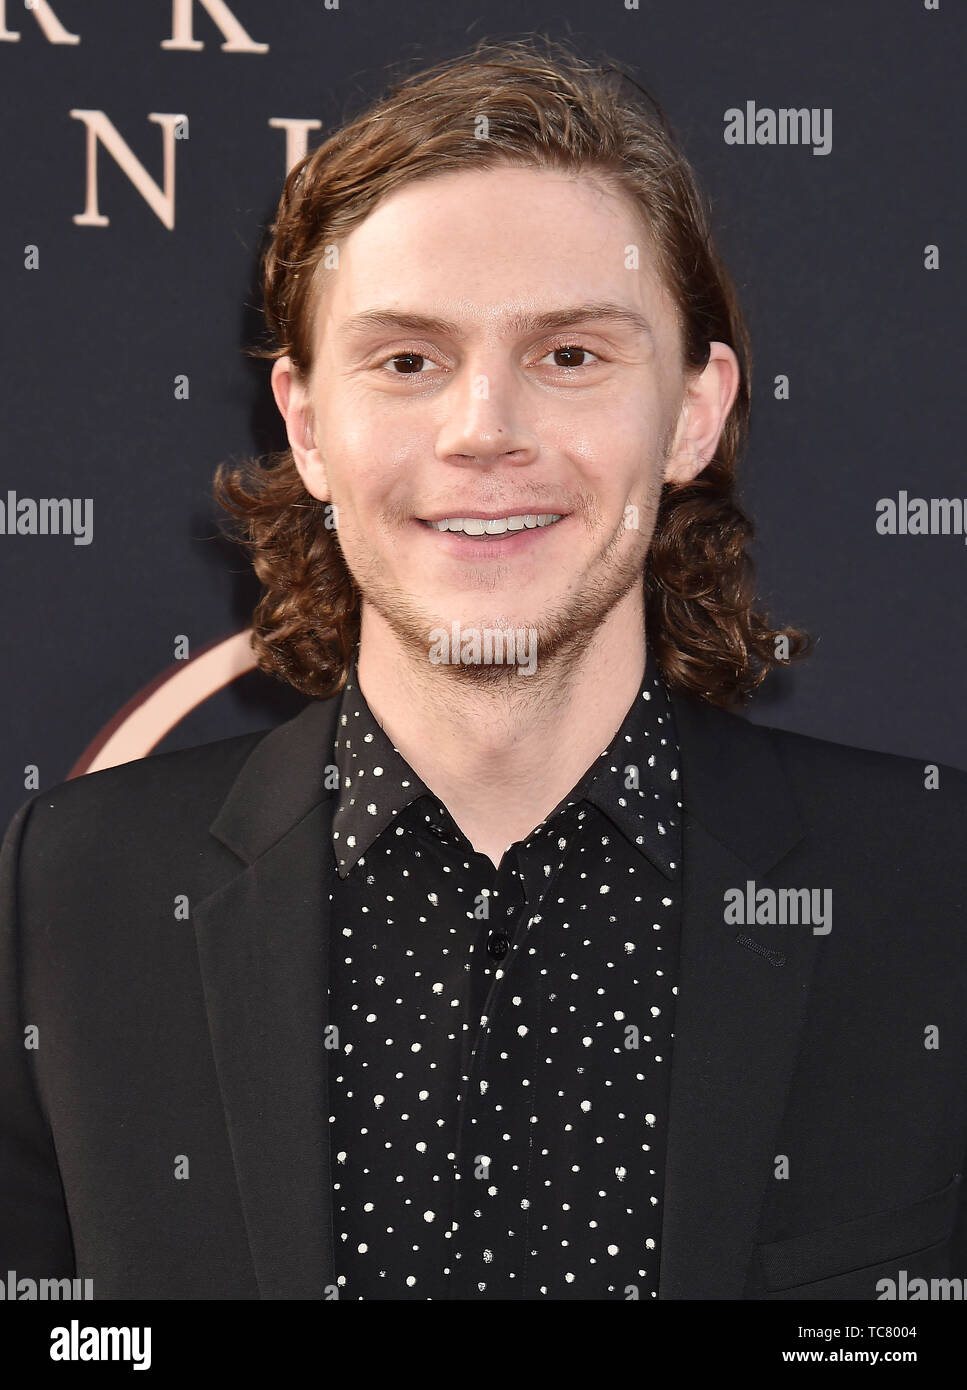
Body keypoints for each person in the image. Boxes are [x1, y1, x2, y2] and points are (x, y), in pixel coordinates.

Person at [2, 35, 965, 1302]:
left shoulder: (929, 891)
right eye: (407, 360)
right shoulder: (76, 893)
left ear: (692, 410)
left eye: (569, 355)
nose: (483, 432)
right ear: (307, 426)